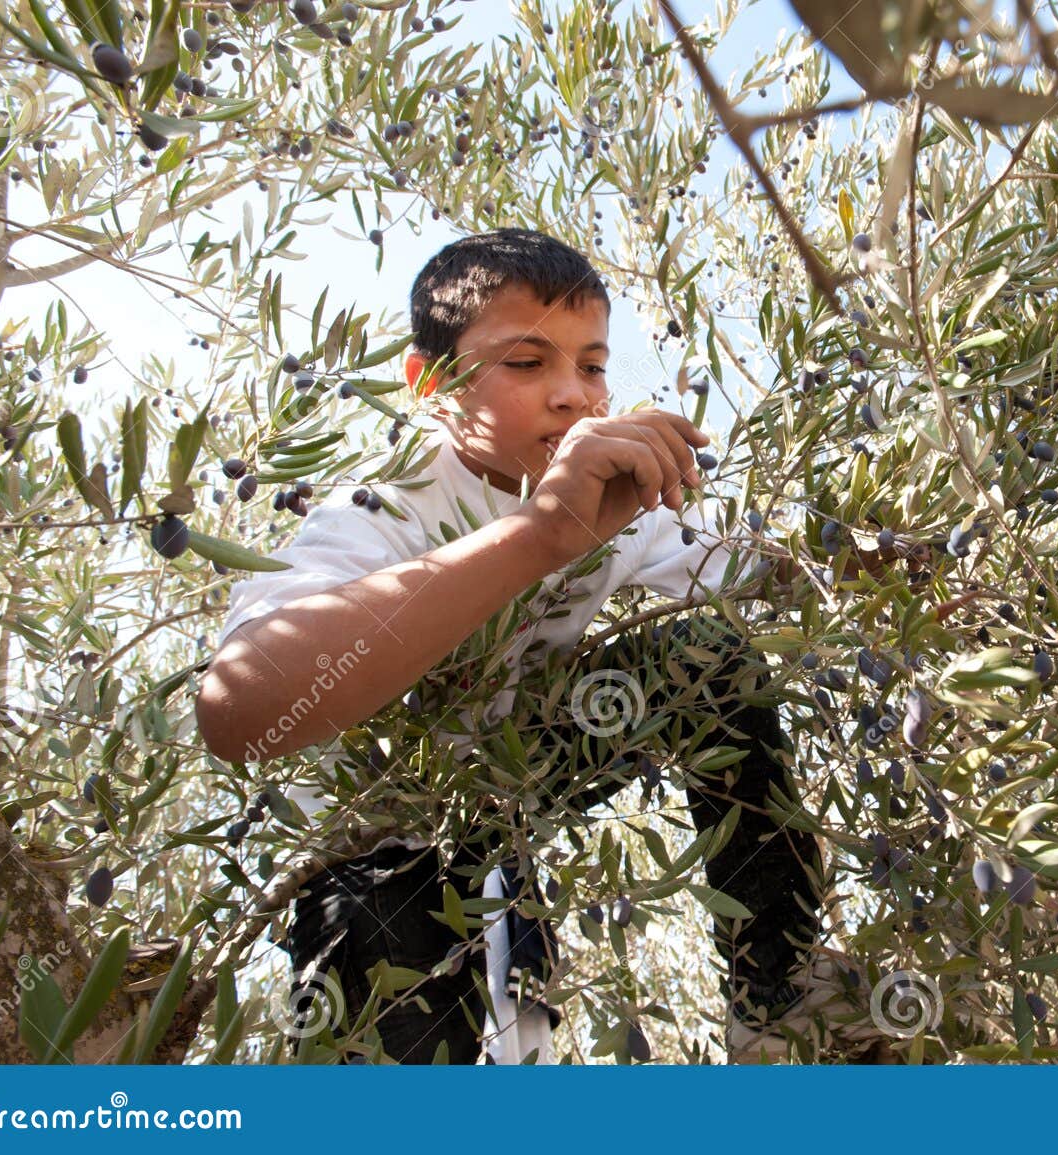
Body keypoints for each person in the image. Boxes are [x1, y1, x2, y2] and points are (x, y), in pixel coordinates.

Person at [195, 228, 867, 1064]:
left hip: (506, 807)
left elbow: (774, 578)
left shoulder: (622, 504)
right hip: (376, 852)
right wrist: (539, 538)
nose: (571, 394)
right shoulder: (382, 507)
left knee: (707, 652)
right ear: (428, 383)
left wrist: (894, 558)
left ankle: (778, 994)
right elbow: (237, 713)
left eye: (590, 365)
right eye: (525, 363)